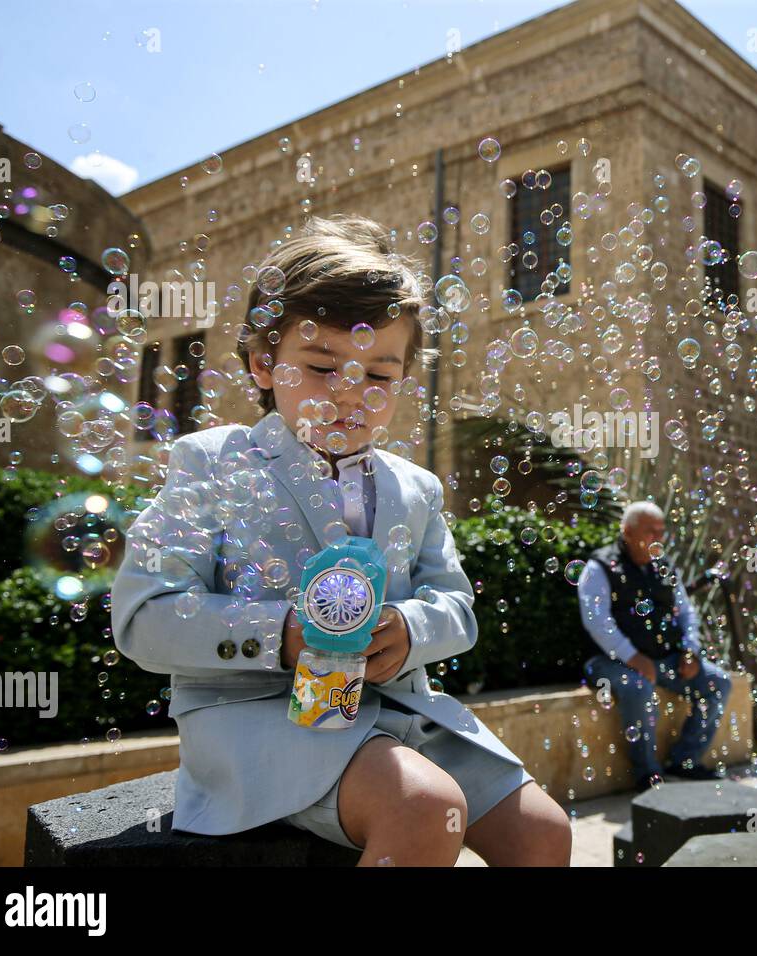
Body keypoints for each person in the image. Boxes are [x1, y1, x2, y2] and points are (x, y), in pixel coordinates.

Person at [110, 215, 570, 866]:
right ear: (263, 363)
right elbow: (142, 616)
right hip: (260, 720)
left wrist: (409, 630)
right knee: (423, 809)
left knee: (545, 834)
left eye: (378, 376)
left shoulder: (414, 487)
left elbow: (456, 606)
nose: (350, 394)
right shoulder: (213, 464)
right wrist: (282, 634)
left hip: (399, 713)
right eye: (323, 366)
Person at [577, 501, 733, 792]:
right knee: (638, 688)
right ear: (627, 531)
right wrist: (632, 657)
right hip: (608, 661)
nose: (658, 539)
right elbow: (597, 621)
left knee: (718, 682)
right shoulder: (599, 567)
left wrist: (690, 650)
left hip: (663, 658)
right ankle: (647, 774)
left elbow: (686, 612)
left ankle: (684, 760)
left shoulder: (663, 566)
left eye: (661, 532)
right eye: (651, 532)